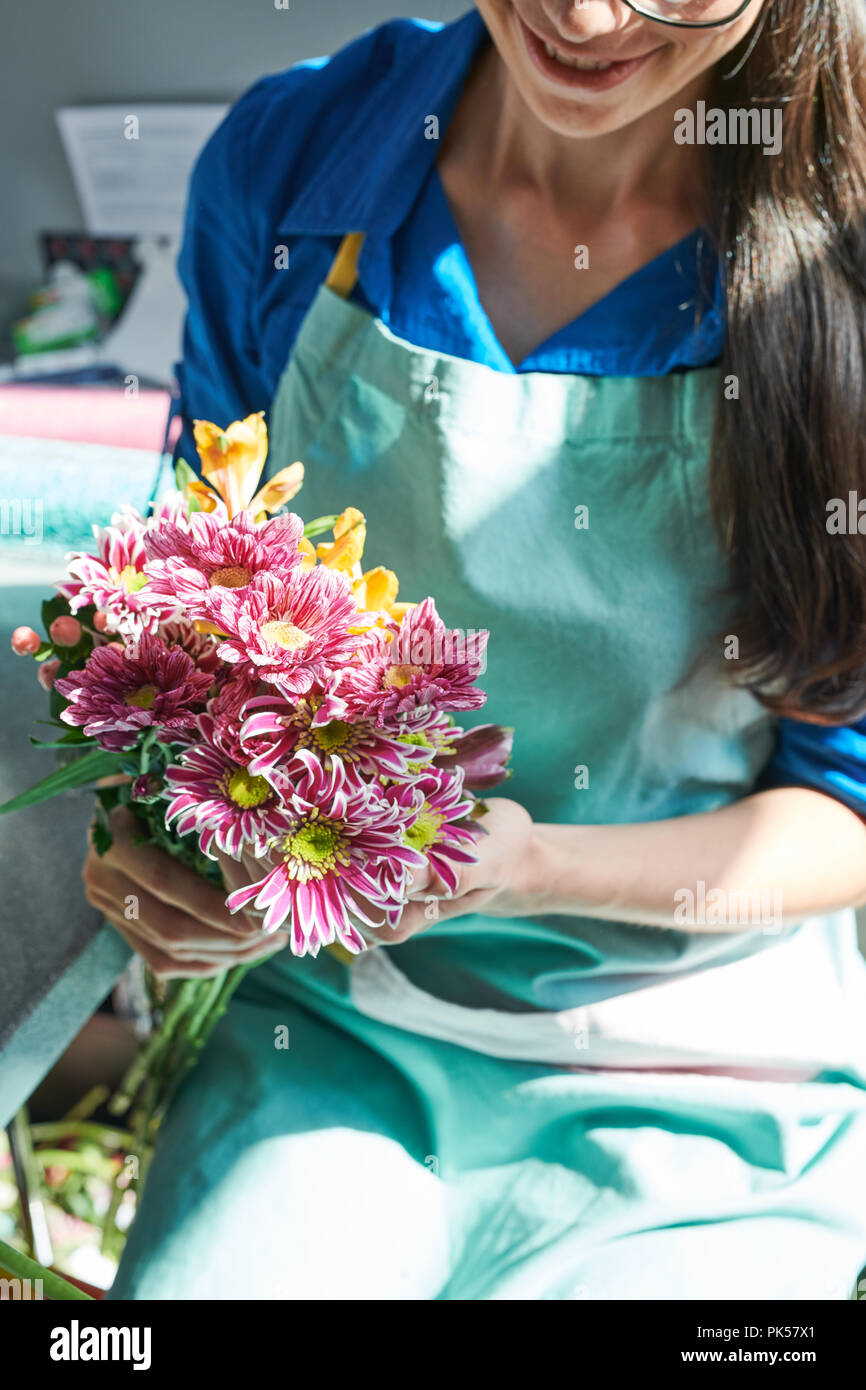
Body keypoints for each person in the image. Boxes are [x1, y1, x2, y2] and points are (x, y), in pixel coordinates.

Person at [96, 2, 866, 1299]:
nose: (584, 18)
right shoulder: (296, 165)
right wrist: (165, 841)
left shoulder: (831, 261)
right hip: (337, 1023)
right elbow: (197, 609)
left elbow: (844, 808)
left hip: (704, 1069)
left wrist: (525, 866)